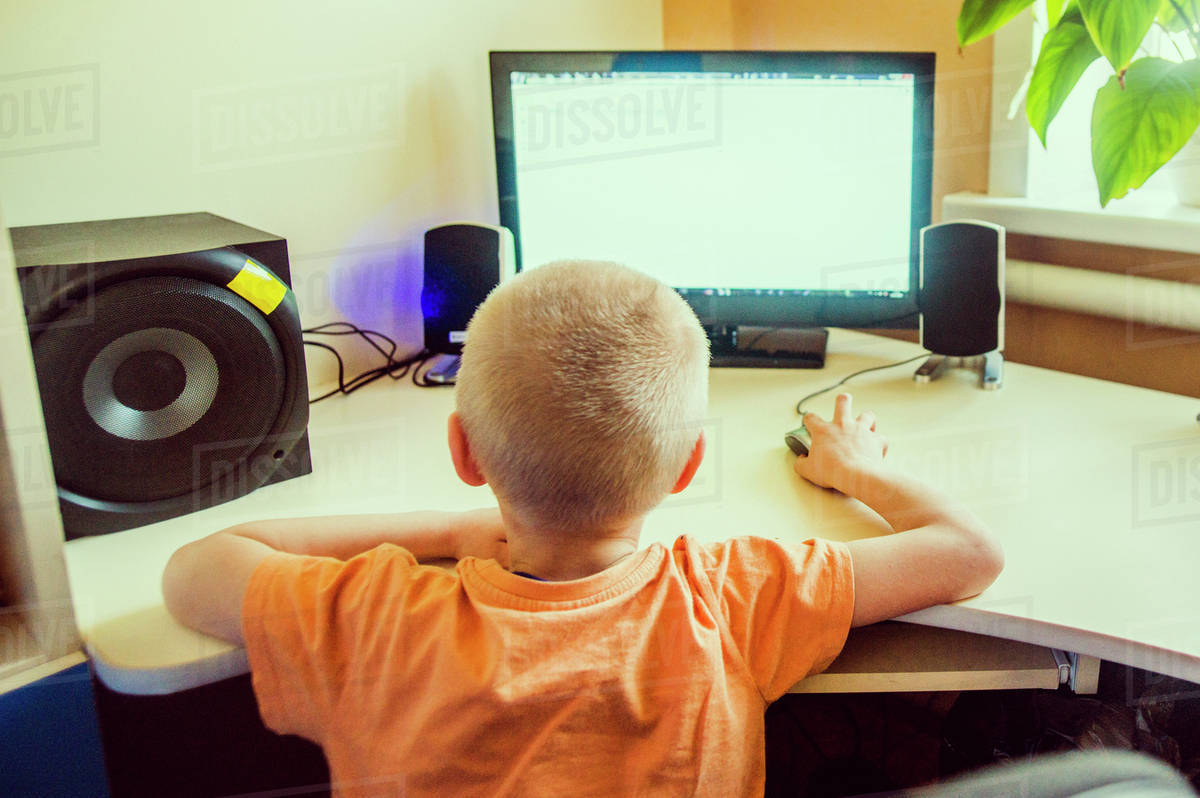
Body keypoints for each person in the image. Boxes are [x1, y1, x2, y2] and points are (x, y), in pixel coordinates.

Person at [163, 259, 1004, 797]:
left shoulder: (372, 615)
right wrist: (861, 470)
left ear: (464, 452)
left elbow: (196, 570)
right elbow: (970, 553)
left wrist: (453, 530)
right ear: (686, 468)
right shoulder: (727, 594)